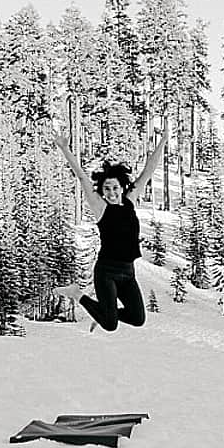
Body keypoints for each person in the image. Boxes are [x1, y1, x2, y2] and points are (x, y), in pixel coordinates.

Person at [49, 131, 166, 332]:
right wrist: (65, 149)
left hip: (128, 272)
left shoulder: (130, 201)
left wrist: (162, 141)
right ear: (102, 191)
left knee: (138, 318)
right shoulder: (101, 207)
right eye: (106, 189)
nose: (111, 193)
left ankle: (102, 313)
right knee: (110, 325)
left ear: (122, 187)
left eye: (114, 188)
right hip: (107, 272)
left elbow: (148, 170)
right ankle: (77, 295)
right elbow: (82, 177)